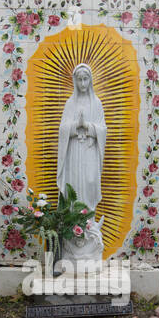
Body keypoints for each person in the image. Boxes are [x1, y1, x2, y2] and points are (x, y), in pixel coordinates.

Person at [55, 64, 106, 212]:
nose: (83, 83)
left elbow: (103, 129)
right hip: (73, 152)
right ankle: (73, 220)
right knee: (74, 184)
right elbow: (62, 129)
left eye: (85, 79)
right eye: (80, 80)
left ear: (90, 80)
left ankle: (88, 221)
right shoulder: (70, 103)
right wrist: (77, 125)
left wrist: (88, 126)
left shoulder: (96, 103)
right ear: (75, 81)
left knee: (90, 182)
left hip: (90, 152)